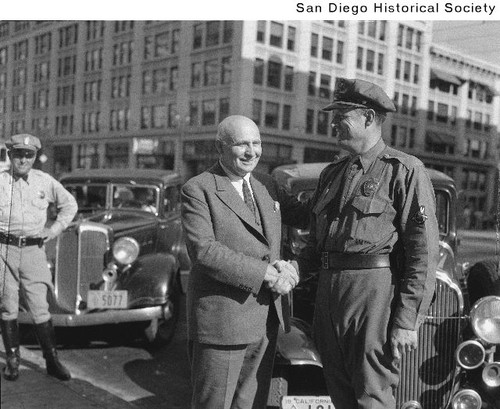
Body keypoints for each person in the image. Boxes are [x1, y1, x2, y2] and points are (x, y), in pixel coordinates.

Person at [297, 78, 439, 409]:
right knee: (338, 387)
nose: (333, 123)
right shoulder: (332, 174)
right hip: (329, 293)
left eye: (341, 115)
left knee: (371, 393)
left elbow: (423, 253)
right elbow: (316, 242)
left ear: (368, 118)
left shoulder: (403, 170)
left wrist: (406, 319)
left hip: (372, 293)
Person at [181, 115, 306, 409]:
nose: (252, 152)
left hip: (265, 321)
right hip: (223, 323)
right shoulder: (198, 189)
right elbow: (204, 252)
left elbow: (308, 214)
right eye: (242, 145)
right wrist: (267, 273)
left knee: (252, 405)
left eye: (257, 143)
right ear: (220, 148)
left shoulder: (267, 184)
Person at [0, 134, 78, 382]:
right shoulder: (0, 181)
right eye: (18, 154)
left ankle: (52, 361)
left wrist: (53, 230)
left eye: (28, 155)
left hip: (33, 251)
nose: (23, 160)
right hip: (3, 250)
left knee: (39, 307)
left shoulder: (45, 181)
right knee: (7, 305)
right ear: (10, 155)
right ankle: (12, 361)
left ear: (34, 157)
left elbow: (70, 205)